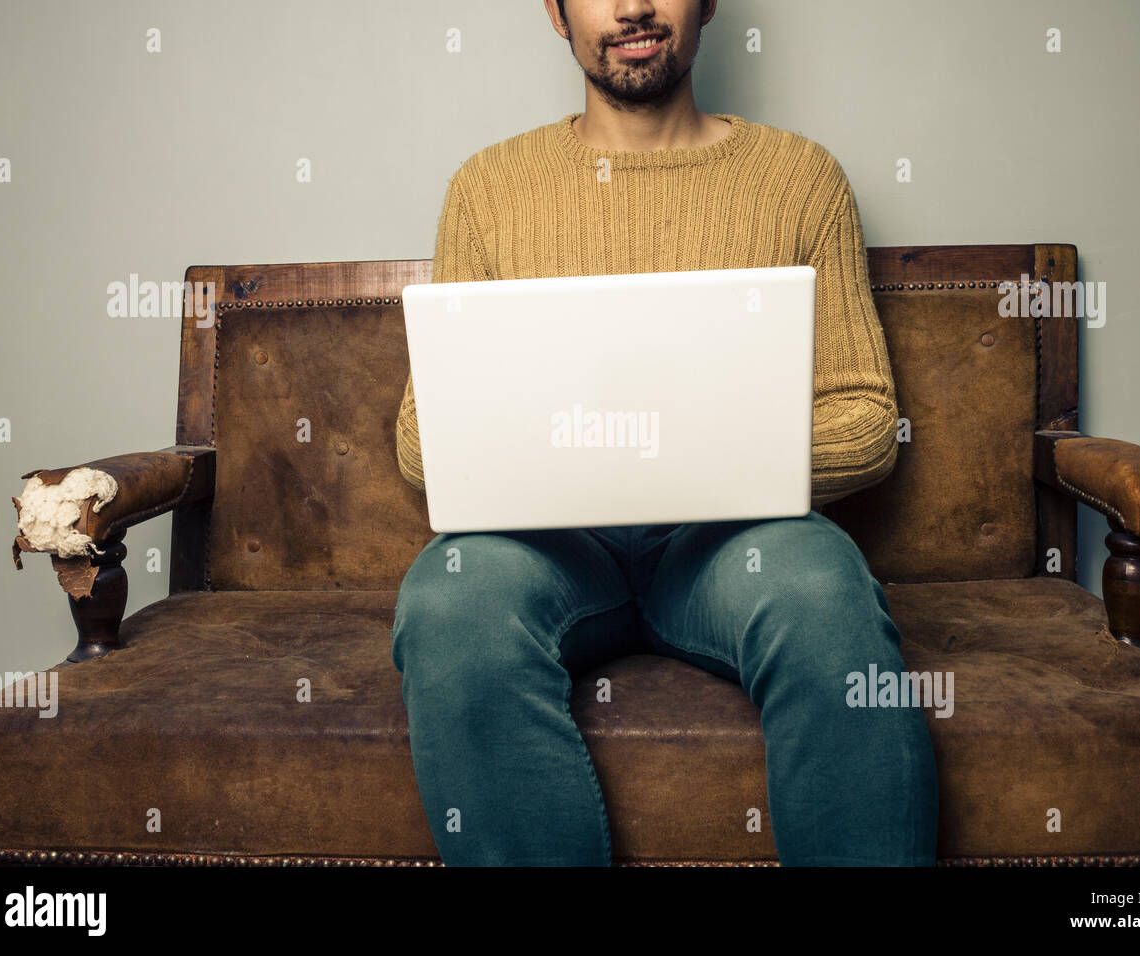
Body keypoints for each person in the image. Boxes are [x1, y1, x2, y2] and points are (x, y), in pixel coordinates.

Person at [390, 0, 938, 866]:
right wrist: (580, 458)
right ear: (556, 12)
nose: (635, 6)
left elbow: (867, 420)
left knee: (823, 594)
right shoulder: (488, 188)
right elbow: (424, 437)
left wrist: (704, 460)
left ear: (710, 1)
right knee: (449, 601)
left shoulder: (801, 177)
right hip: (549, 550)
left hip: (734, 544)